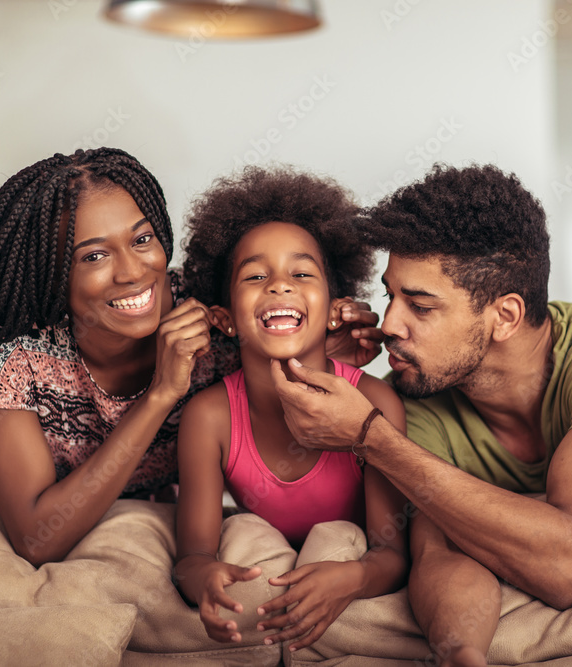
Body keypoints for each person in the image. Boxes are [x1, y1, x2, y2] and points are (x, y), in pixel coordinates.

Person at [269, 164, 572, 666]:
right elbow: (441, 556)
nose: (389, 324)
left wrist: (371, 437)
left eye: (421, 306)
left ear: (505, 316)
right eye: (392, 296)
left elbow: (568, 565)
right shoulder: (416, 399)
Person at [0, 148, 381, 567]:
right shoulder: (8, 350)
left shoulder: (211, 313)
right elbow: (36, 539)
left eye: (142, 240)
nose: (132, 271)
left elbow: (280, 352)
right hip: (35, 522)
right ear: (51, 274)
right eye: (94, 256)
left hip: (158, 516)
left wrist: (327, 346)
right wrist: (161, 394)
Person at [173, 166, 409, 652]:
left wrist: (352, 579)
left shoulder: (376, 401)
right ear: (226, 319)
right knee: (243, 530)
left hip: (345, 544)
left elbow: (391, 553)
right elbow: (192, 557)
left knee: (339, 535)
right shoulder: (209, 417)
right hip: (262, 551)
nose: (280, 285)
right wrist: (205, 582)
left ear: (333, 308)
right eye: (256, 275)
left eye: (301, 273)